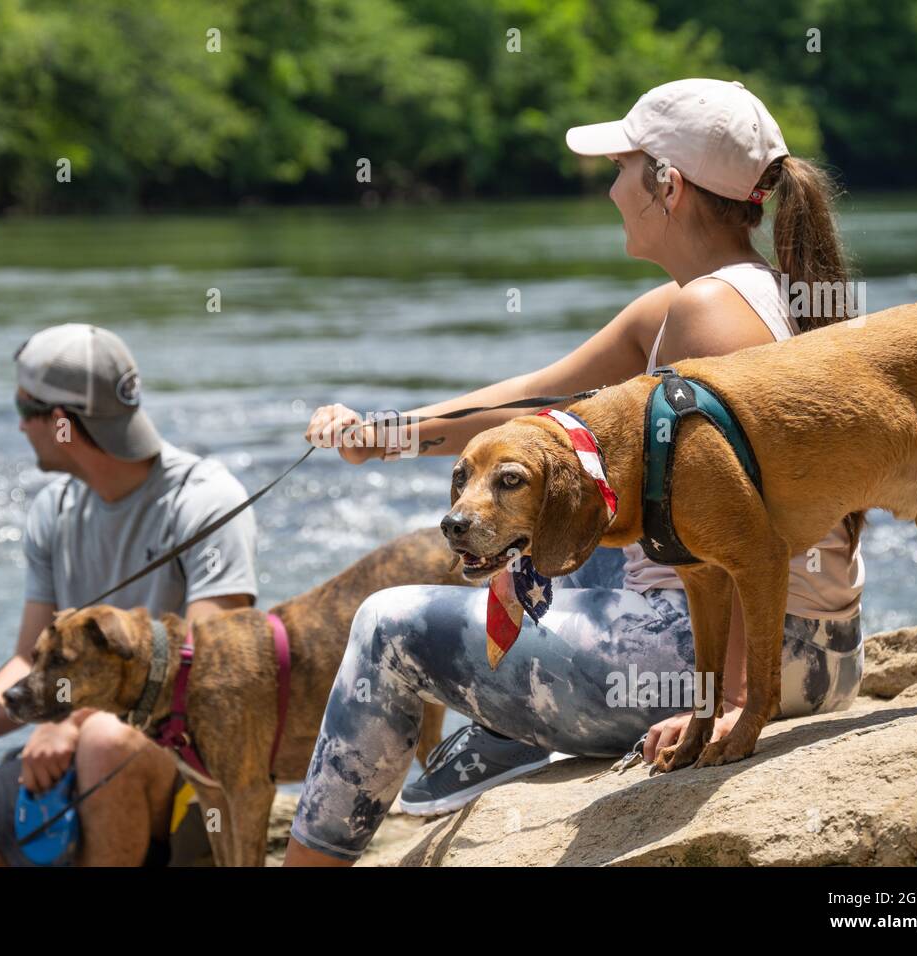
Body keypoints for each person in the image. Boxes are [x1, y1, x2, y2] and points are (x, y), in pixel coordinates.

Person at [286, 78, 865, 864]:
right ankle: (513, 729)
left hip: (764, 649)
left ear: (669, 183)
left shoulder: (711, 318)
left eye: (624, 166)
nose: (612, 186)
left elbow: (750, 534)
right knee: (553, 534)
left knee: (387, 626)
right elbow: (533, 413)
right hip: (813, 646)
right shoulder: (694, 303)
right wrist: (378, 434)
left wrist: (726, 704)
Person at [0, 323, 258, 866]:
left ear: (60, 423)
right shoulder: (52, 511)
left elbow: (210, 663)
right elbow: (27, 660)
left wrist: (72, 721)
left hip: (185, 766)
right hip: (76, 745)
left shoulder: (206, 501)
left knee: (104, 739)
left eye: (21, 405)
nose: (16, 424)